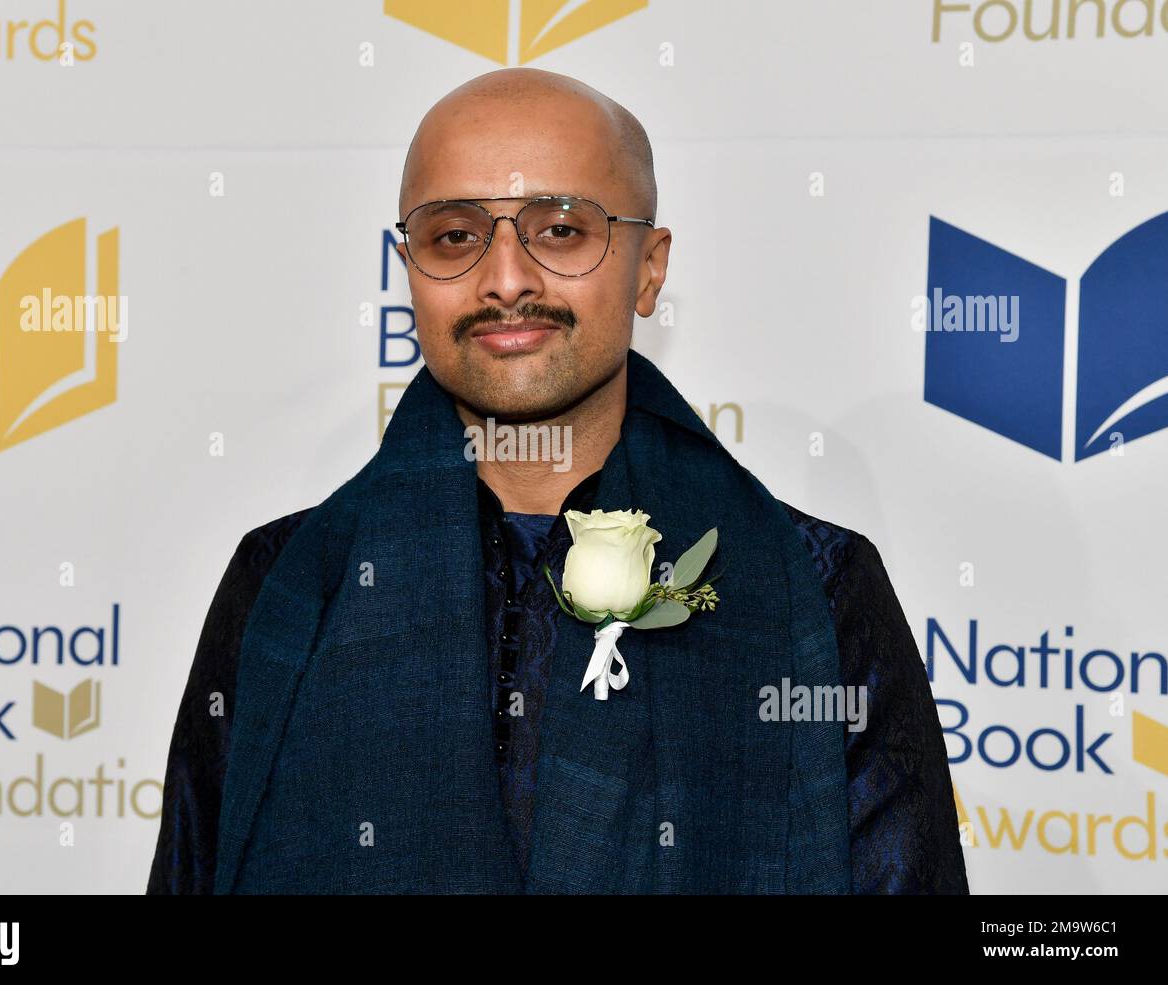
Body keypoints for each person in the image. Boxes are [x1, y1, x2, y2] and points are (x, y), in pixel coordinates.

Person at [147, 67, 968, 894]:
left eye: (562, 229)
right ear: (408, 270)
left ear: (649, 268)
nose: (507, 279)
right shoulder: (288, 583)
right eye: (456, 237)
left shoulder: (814, 586)